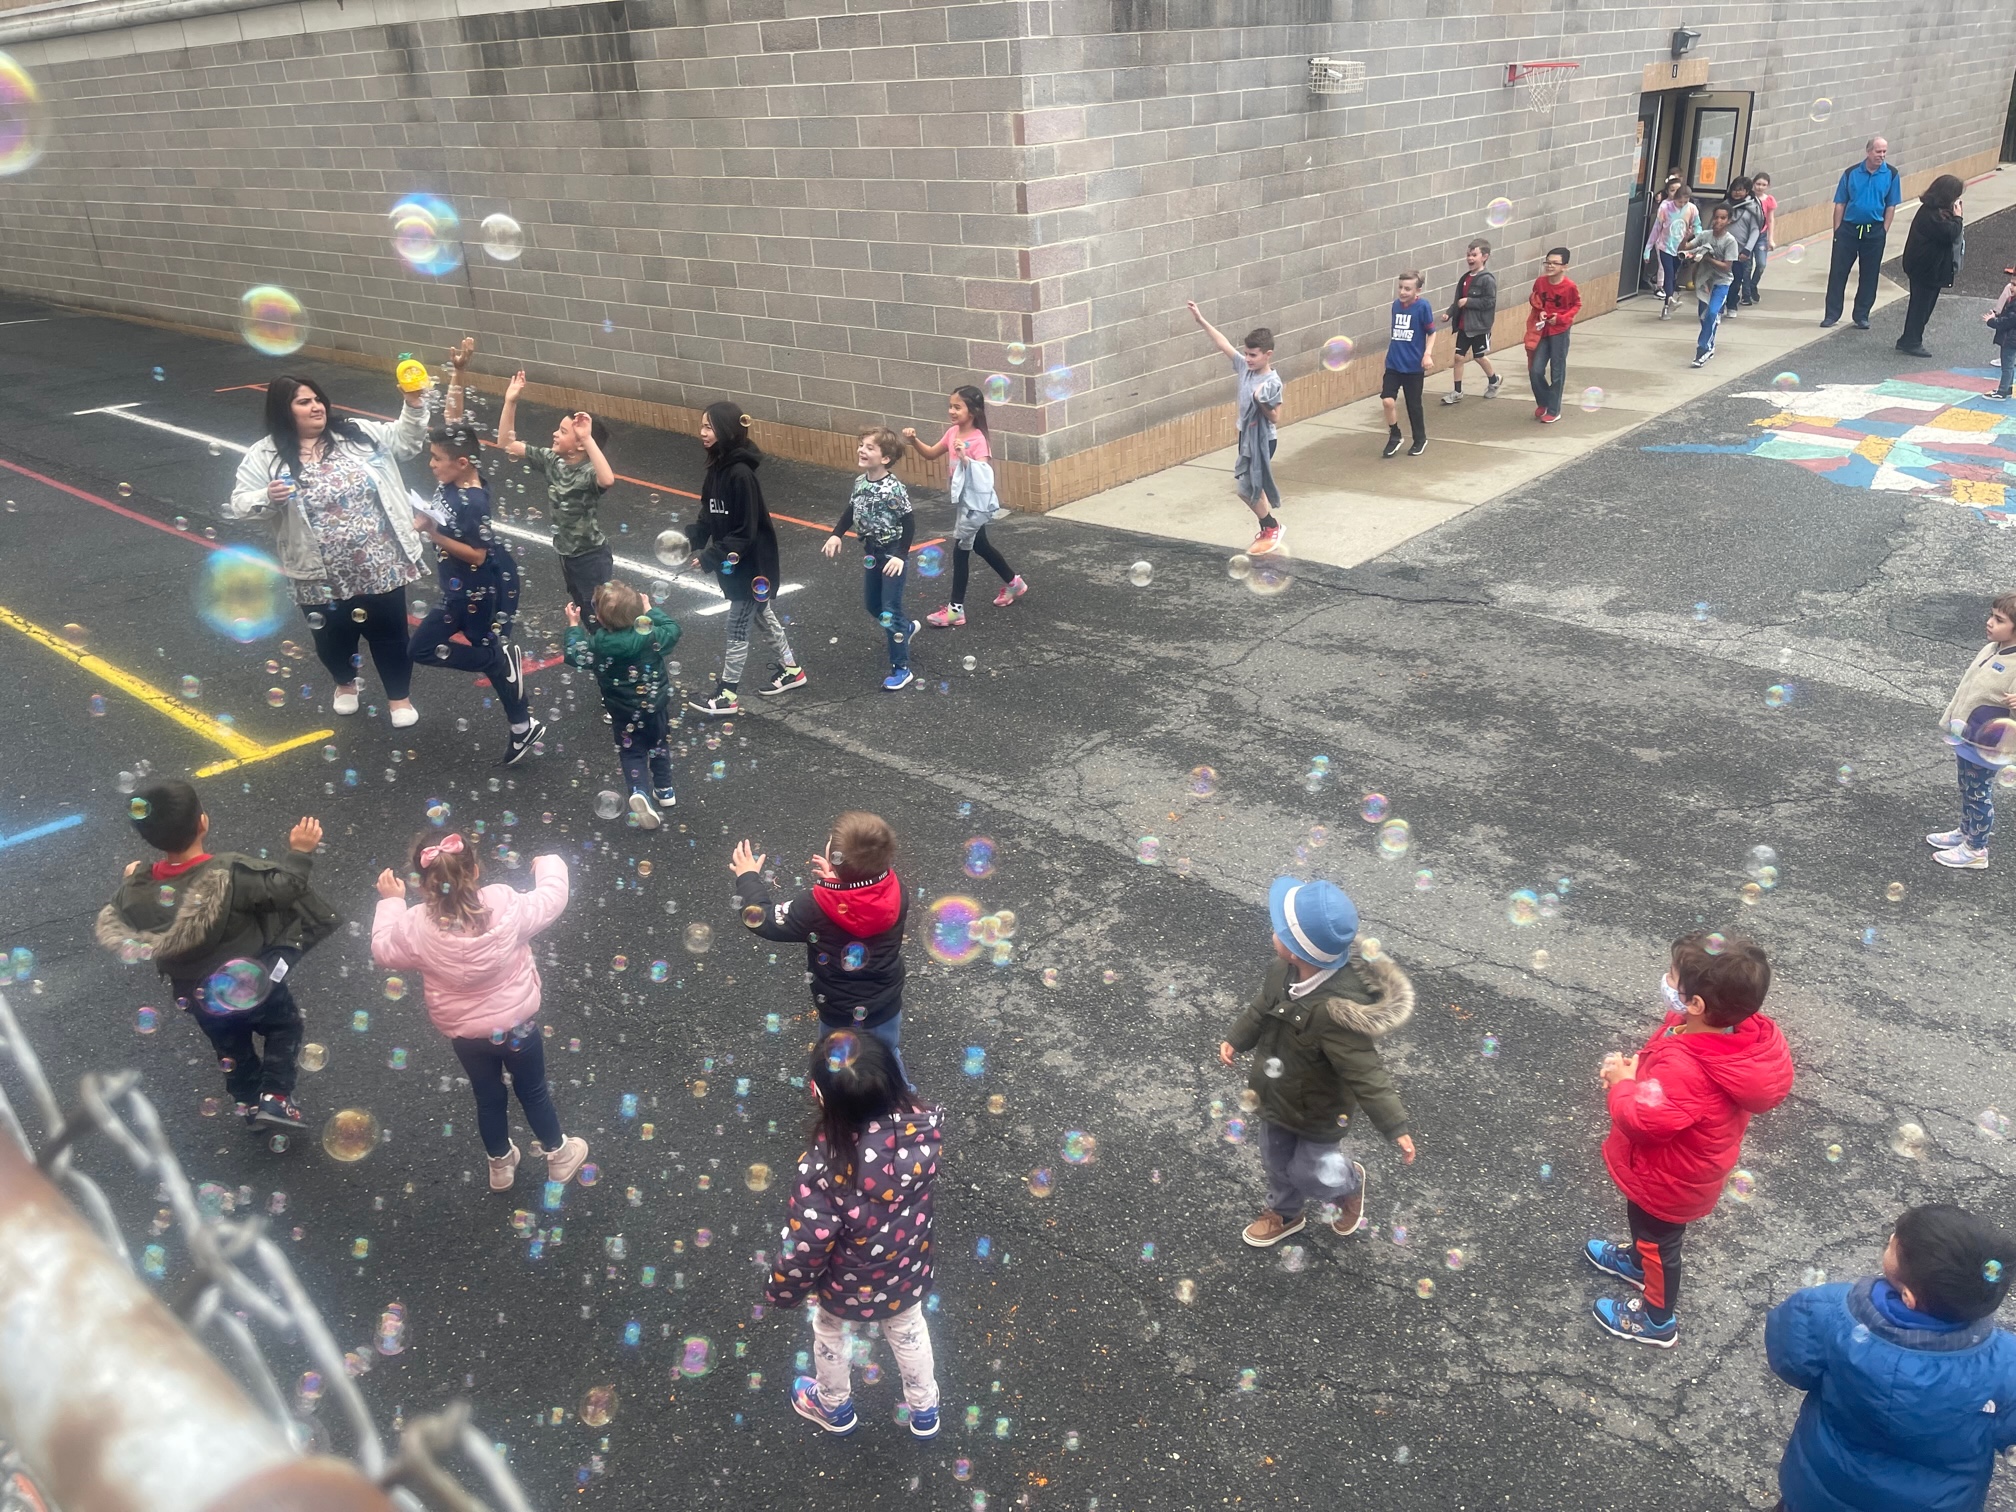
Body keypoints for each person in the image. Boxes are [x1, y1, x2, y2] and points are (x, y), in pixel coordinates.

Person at [1584, 931, 1793, 1347]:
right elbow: (1664, 1056)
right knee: (1645, 1228)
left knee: (1660, 1240)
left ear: (1696, 1003)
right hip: (1672, 1167)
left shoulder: (1690, 1067)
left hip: (1670, 1178)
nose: (1666, 979)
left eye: (1672, 975)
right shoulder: (1718, 1027)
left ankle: (1657, 1319)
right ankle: (1637, 1261)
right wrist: (1638, 1068)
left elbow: (1645, 1121)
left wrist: (1621, 1087)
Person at [94, 780, 338, 1132]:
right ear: (203, 822)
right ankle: (276, 1098)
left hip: (197, 995)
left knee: (231, 1049)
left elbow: (127, 906)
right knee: (284, 1026)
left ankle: (249, 1101)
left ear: (148, 837)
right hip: (253, 982)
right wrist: (300, 852)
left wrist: (134, 878)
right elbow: (285, 889)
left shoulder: (138, 890)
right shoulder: (230, 874)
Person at [1765, 1203, 2016, 1512]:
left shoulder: (1826, 1309)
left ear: (1908, 1297)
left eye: (1892, 1244)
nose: (1890, 1239)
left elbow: (1789, 1361)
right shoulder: (2006, 1363)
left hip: (1820, 1489)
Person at [371, 835, 588, 1191]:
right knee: (532, 1091)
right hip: (519, 1028)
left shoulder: (415, 927)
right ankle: (560, 1157)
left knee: (487, 1097)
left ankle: (500, 1166)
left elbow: (382, 949)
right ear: (474, 870)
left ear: (423, 884)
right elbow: (552, 899)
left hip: (468, 1037)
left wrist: (392, 903)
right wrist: (548, 862)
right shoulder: (505, 903)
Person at [1217, 878, 1418, 1249]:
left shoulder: (1337, 1014)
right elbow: (1262, 1006)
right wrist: (1237, 1038)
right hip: (1275, 1094)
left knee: (1312, 1172)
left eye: (1278, 929)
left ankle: (1349, 1183)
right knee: (1275, 1159)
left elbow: (1366, 1072)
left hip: (1318, 1111)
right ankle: (1286, 1213)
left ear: (1296, 950)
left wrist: (1395, 1125)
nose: (1271, 932)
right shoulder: (1280, 970)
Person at [767, 1030, 943, 1439]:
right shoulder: (922, 1137)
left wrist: (782, 1289)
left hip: (845, 1287)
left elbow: (807, 1247)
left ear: (824, 1100)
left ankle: (833, 1406)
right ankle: (925, 1411)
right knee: (910, 1333)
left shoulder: (825, 1169)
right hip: (906, 1272)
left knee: (830, 1335)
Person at [226, 374, 429, 727]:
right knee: (331, 636)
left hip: (380, 560)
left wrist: (413, 404)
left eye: (317, 399)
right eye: (303, 402)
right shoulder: (265, 454)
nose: (316, 406)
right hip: (316, 570)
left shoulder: (356, 433)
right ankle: (344, 682)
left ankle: (399, 699)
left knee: (391, 632)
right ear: (283, 410)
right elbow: (241, 504)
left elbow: (406, 443)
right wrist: (266, 497)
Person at [406, 412, 545, 765]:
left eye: (437, 458)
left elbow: (479, 556)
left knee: (435, 649)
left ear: (462, 462)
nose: (432, 464)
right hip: (459, 589)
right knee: (427, 648)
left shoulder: (474, 502)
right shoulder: (454, 482)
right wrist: (458, 371)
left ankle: (499, 667)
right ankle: (518, 715)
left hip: (480, 591)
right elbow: (455, 419)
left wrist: (431, 533)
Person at [729, 813, 909, 1066]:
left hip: (838, 1009)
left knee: (837, 1062)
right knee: (887, 1056)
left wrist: (747, 877)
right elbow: (863, 898)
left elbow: (764, 919)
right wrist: (842, 883)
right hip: (886, 1005)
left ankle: (835, 1096)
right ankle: (902, 1099)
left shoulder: (813, 906)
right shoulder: (897, 888)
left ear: (833, 858)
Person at [685, 402, 805, 715]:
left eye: (709, 427)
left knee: (737, 623)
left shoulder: (741, 476)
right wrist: (692, 540)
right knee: (763, 616)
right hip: (736, 565)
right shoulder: (716, 470)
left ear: (726, 430)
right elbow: (709, 514)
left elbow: (745, 531)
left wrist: (712, 555)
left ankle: (727, 694)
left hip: (752, 566)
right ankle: (792, 670)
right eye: (702, 426)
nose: (702, 432)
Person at [904, 385, 1029, 625]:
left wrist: (965, 457)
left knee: (961, 550)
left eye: (957, 407)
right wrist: (913, 439)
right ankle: (1015, 583)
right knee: (980, 545)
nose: (951, 411)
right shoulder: (952, 433)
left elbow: (984, 473)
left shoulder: (979, 439)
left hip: (975, 504)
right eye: (950, 406)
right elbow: (930, 453)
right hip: (964, 502)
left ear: (972, 411)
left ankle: (955, 610)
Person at [497, 369, 615, 620]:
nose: (555, 433)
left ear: (581, 443)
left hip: (591, 558)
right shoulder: (553, 460)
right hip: (567, 555)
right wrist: (510, 401)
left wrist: (587, 437)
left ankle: (610, 654)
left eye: (563, 431)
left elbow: (607, 479)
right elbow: (507, 444)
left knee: (601, 619)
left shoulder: (588, 472)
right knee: (585, 613)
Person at [565, 581, 680, 829]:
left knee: (632, 751)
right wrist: (650, 610)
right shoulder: (650, 635)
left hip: (622, 712)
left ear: (598, 617)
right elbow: (673, 629)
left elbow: (574, 654)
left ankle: (640, 791)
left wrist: (574, 627)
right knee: (659, 745)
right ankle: (665, 790)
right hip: (655, 707)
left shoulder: (597, 645)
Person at [822, 428, 919, 691]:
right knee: (872, 605)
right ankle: (906, 628)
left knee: (890, 608)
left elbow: (909, 522)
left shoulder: (894, 488)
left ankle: (902, 668)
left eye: (870, 447)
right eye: (861, 445)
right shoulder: (860, 482)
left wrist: (901, 555)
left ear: (885, 458)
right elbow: (852, 508)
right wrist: (836, 534)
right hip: (872, 552)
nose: (862, 450)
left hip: (891, 553)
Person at [1184, 303, 1284, 555]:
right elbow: (1222, 343)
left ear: (1267, 354)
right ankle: (1269, 528)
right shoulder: (1243, 367)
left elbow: (1276, 418)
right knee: (1253, 488)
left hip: (1263, 440)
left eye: (1253, 355)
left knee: (1245, 490)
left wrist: (1261, 401)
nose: (1248, 359)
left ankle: (1271, 526)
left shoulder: (1272, 382)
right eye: (1246, 354)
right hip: (1245, 436)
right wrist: (1201, 320)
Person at [1927, 593, 2016, 869]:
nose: (1989, 623)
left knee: (1978, 793)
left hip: (1988, 743)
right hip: (1968, 734)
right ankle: (1967, 832)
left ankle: (1976, 849)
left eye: (1999, 620)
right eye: (1991, 615)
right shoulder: (1992, 648)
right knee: (1967, 788)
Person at [1822, 137, 1902, 330]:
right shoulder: (1851, 173)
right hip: (1848, 231)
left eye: (1884, 152)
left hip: (1874, 232)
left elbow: (1891, 205)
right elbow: (1840, 202)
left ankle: (1861, 315)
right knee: (1838, 273)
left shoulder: (1891, 174)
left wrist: (1884, 230)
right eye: (1878, 151)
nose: (1881, 156)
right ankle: (1832, 314)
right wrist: (1837, 230)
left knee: (1870, 275)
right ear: (1868, 152)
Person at [1897, 174, 1966, 358]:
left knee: (1922, 305)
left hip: (1926, 267)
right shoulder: (1931, 214)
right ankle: (1912, 341)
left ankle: (1908, 338)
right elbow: (1950, 233)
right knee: (1921, 305)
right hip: (1925, 268)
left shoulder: (1934, 211)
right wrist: (1958, 218)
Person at [1380, 271, 1436, 457]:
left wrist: (1427, 354)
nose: (1402, 292)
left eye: (1407, 288)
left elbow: (1432, 332)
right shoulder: (1396, 305)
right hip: (1394, 363)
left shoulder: (1423, 307)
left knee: (1414, 405)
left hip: (1413, 366)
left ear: (1417, 290)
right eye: (1400, 287)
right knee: (1387, 400)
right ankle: (1395, 435)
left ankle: (1420, 438)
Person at [1526, 247, 1580, 424]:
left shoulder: (1570, 286)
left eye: (1555, 263)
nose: (1550, 266)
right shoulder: (1540, 282)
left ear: (1565, 266)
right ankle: (1544, 401)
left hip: (1560, 332)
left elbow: (1576, 305)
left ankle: (1554, 410)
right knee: (1535, 370)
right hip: (1543, 330)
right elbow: (1535, 299)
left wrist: (1562, 318)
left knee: (1557, 371)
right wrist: (1540, 311)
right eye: (1547, 262)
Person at [1442, 239, 1500, 404]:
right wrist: (1449, 313)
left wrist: (1469, 302)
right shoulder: (1465, 278)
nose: (1470, 258)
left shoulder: (1487, 279)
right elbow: (1458, 300)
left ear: (1485, 256)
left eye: (1474, 255)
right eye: (1468, 255)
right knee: (1458, 358)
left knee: (1479, 357)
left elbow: (1490, 302)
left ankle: (1494, 381)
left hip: (1479, 327)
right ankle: (1457, 391)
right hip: (1464, 326)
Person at [1683, 204, 1741, 368]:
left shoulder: (1730, 241)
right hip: (1704, 281)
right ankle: (1710, 342)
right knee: (1704, 316)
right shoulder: (1705, 235)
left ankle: (1703, 350)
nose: (1718, 221)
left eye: (1723, 218)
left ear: (1728, 221)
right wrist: (1684, 237)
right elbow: (1686, 247)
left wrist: (1707, 258)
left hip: (1722, 281)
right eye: (1716, 217)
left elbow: (1726, 267)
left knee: (1712, 312)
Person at [1646, 184, 1700, 317]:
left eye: (1685, 202)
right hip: (1665, 246)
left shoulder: (1692, 209)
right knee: (1668, 272)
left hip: (1681, 248)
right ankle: (1669, 298)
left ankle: (1667, 305)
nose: (1682, 204)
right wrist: (1648, 248)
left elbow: (1698, 226)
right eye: (1679, 201)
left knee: (1674, 274)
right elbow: (1656, 229)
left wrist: (1696, 240)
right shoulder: (1665, 208)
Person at [1721, 178, 1764, 322]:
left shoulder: (1752, 208)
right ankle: (1720, 305)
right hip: (1722, 251)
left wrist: (1747, 250)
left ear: (1747, 191)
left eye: (1740, 189)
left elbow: (1755, 230)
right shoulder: (1725, 206)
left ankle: (1732, 305)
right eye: (1734, 189)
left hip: (1739, 253)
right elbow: (1715, 225)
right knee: (1720, 280)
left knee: (1736, 280)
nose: (1737, 192)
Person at [1738, 171, 1777, 306]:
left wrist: (1770, 239)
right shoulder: (1747, 199)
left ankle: (1753, 285)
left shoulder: (1769, 200)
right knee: (1747, 267)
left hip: (1761, 235)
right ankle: (1746, 295)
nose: (1760, 187)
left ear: (1768, 186)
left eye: (1764, 185)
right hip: (1747, 236)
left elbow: (1771, 219)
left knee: (1761, 264)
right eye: (1758, 184)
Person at [1984, 283, 2016, 401]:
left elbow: (2007, 321)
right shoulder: (2012, 300)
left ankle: (2002, 391)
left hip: (2010, 339)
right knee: (2009, 365)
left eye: (2015, 285)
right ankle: (2008, 388)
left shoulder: (2014, 304)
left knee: (2006, 366)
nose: (2011, 287)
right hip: (2011, 339)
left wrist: (1991, 321)